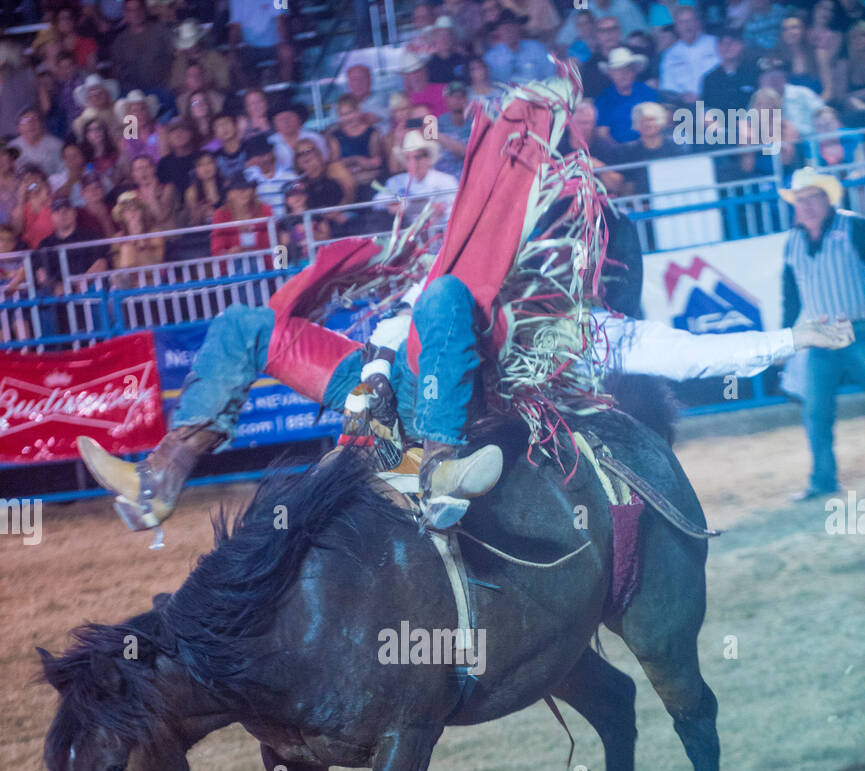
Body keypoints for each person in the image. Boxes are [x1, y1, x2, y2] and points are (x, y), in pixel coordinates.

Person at [80, 73, 855, 539]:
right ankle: (163, 476)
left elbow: (683, 352)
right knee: (250, 325)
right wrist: (374, 358)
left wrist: (789, 336)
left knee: (446, 301)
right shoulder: (452, 262)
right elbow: (399, 311)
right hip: (370, 382)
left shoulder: (576, 329)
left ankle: (438, 473)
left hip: (442, 410)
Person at [780, 166, 865, 500]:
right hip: (819, 338)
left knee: (817, 410)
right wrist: (788, 338)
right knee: (816, 411)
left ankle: (823, 480)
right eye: (800, 200)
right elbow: (790, 295)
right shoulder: (792, 241)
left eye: (813, 198)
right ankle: (823, 480)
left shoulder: (855, 227)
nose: (806, 206)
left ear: (828, 199)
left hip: (860, 329)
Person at [374, 128, 459, 220]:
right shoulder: (396, 181)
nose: (413, 163)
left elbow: (453, 209)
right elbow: (378, 202)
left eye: (418, 157)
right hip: (406, 231)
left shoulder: (446, 180)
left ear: (428, 158)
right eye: (408, 158)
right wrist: (397, 205)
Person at [110, 0, 174, 104]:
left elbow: (174, 57)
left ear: (145, 10)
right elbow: (117, 71)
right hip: (132, 94)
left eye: (138, 8)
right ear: (125, 13)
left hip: (160, 89)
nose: (135, 13)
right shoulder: (120, 41)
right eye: (130, 10)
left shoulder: (161, 32)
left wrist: (169, 82)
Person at [595, 46, 658, 143]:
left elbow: (659, 123)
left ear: (634, 72)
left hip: (648, 146)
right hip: (617, 152)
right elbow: (603, 133)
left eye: (627, 70)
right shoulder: (603, 100)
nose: (623, 74)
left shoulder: (648, 93)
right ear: (611, 74)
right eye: (617, 71)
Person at [658, 5, 719, 102]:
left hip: (715, 99)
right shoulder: (670, 54)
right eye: (682, 22)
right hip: (684, 106)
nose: (687, 26)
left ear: (698, 22)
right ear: (676, 26)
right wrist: (682, 97)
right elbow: (667, 88)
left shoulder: (715, 44)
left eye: (691, 20)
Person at [701, 25, 759, 118]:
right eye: (723, 43)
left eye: (732, 43)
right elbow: (706, 112)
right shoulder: (709, 79)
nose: (727, 47)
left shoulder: (754, 74)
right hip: (720, 129)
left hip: (751, 128)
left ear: (741, 45)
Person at [484, 12, 554, 84]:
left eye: (511, 27)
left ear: (519, 28)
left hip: (538, 91)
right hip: (506, 93)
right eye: (504, 28)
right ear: (498, 32)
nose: (508, 32)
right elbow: (491, 85)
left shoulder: (536, 48)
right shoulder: (490, 58)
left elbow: (549, 75)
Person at [436, 82, 473, 178]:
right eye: (453, 96)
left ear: (467, 99)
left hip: (469, 176)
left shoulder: (476, 123)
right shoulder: (438, 123)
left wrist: (438, 136)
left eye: (461, 96)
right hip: (443, 177)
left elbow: (468, 153)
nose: (457, 99)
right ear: (446, 99)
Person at [15, 108, 63, 178]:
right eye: (25, 120)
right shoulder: (13, 147)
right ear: (19, 127)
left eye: (35, 119)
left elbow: (63, 174)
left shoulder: (56, 145)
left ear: (42, 124)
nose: (31, 124)